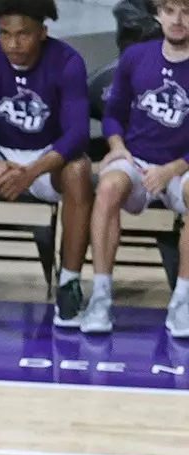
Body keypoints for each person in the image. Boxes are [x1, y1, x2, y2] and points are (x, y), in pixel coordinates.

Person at [0, 0, 91, 328]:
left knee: (79, 170)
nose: (12, 44)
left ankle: (69, 283)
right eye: (4, 34)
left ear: (43, 33)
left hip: (45, 158)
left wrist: (33, 171)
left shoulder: (67, 62)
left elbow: (78, 133)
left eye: (23, 35)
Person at [86, 0, 189, 336]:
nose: (178, 20)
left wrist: (172, 168)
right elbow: (113, 114)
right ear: (158, 14)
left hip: (181, 167)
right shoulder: (136, 57)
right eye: (171, 11)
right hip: (137, 161)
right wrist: (117, 147)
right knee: (107, 187)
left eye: (187, 12)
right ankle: (100, 299)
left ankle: (183, 304)